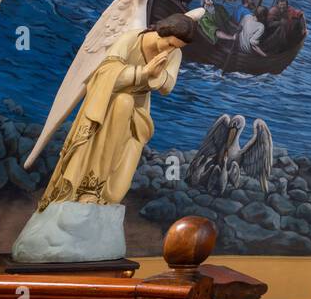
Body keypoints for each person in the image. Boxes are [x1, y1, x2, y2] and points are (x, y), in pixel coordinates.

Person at [37, 13, 195, 211]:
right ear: (162, 32)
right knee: (123, 100)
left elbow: (167, 86)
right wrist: (143, 73)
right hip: (105, 106)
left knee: (117, 190)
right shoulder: (131, 39)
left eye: (177, 48)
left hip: (136, 116)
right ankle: (87, 187)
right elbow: (104, 73)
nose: (172, 51)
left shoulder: (174, 53)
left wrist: (158, 74)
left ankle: (101, 192)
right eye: (170, 44)